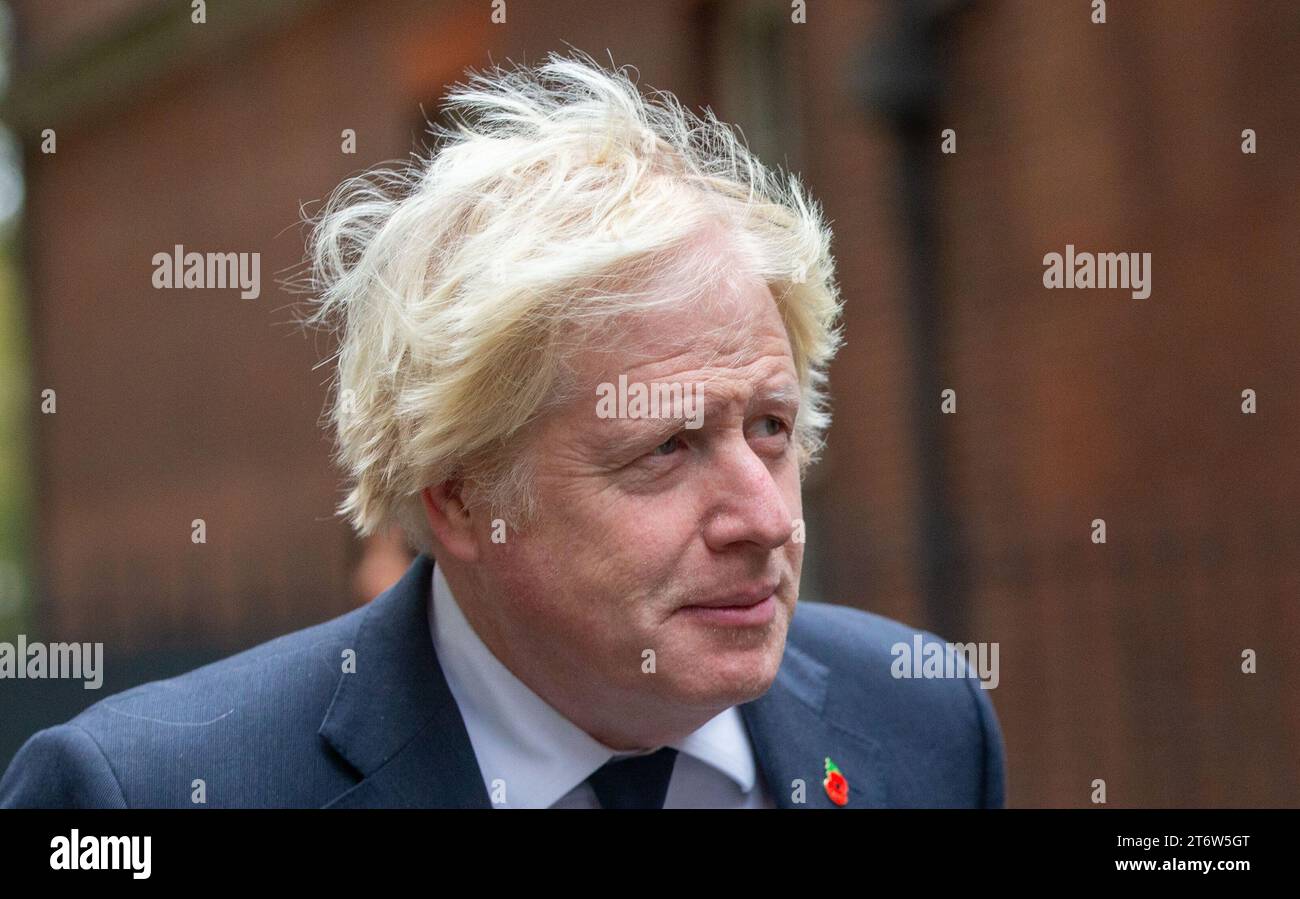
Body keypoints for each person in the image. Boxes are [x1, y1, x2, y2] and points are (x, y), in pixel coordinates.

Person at [0, 50, 1004, 809]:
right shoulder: (145, 792)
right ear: (460, 496)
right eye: (665, 446)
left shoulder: (922, 723)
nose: (763, 518)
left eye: (771, 427)